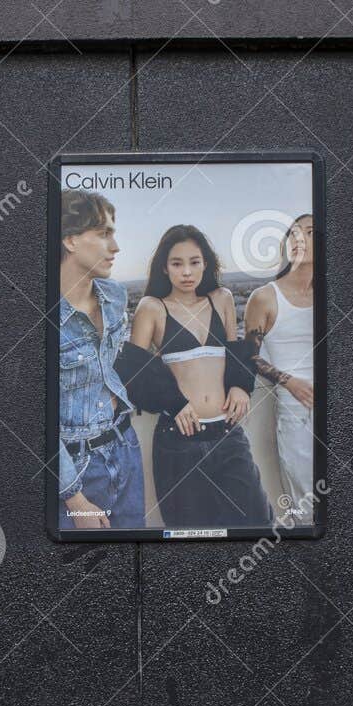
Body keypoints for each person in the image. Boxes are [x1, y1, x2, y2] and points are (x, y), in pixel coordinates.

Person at [120, 225, 271, 528]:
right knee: (189, 531)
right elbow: (133, 368)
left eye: (194, 262)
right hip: (179, 440)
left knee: (257, 522)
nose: (186, 272)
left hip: (227, 433)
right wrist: (175, 403)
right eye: (177, 263)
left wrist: (241, 386)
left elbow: (235, 351)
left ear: (206, 263)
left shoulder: (223, 299)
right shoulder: (153, 307)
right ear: (165, 267)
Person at [56, 190, 145, 531]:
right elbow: (33, 417)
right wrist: (74, 498)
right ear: (70, 240)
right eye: (104, 234)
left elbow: (109, 367)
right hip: (75, 467)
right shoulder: (41, 315)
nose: (116, 246)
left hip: (124, 445)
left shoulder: (114, 296)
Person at [244, 214, 317, 514]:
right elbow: (249, 355)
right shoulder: (264, 297)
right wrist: (290, 381)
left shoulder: (335, 293)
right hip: (294, 406)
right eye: (294, 234)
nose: (299, 239)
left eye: (310, 233)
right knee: (308, 501)